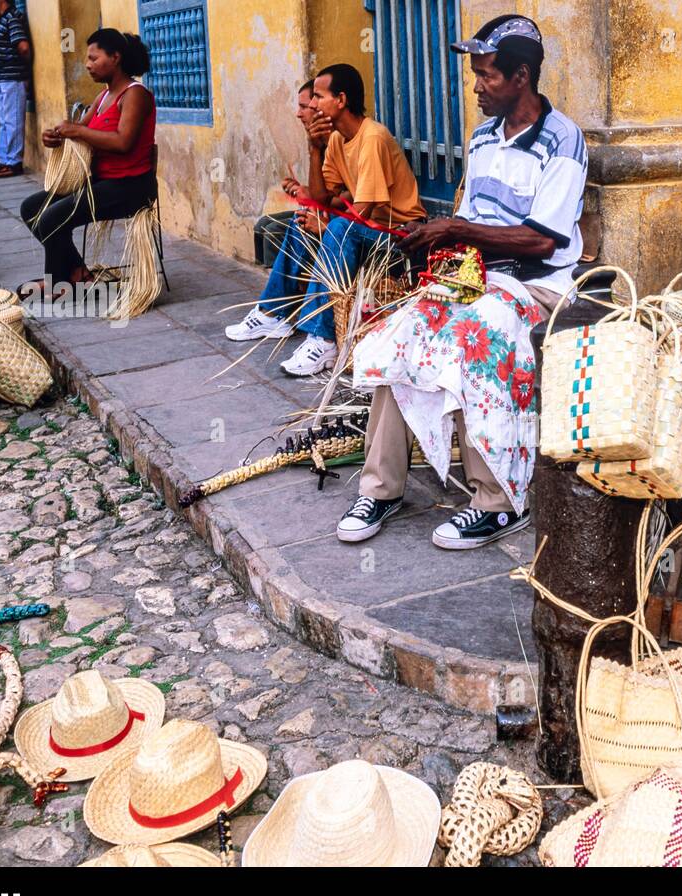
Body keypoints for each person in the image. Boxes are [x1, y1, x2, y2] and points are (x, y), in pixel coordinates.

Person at [338, 14, 586, 550]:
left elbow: (542, 241)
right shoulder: (481, 140)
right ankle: (381, 488)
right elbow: (472, 226)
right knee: (400, 333)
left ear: (521, 76)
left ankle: (497, 502)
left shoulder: (563, 139)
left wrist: (454, 227)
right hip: (480, 277)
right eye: (475, 75)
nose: (476, 87)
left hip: (538, 285)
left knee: (478, 336)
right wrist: (430, 238)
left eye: (487, 76)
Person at [244, 64, 425, 377]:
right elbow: (321, 197)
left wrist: (326, 225)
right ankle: (274, 313)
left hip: (398, 235)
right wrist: (315, 149)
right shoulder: (339, 139)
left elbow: (363, 212)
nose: (312, 104)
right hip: (366, 227)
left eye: (318, 97)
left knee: (339, 228)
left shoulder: (372, 138)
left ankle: (323, 337)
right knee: (304, 219)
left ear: (340, 100)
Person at [17, 30, 156, 292]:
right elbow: (79, 132)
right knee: (32, 207)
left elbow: (123, 142)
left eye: (94, 58)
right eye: (88, 59)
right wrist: (57, 136)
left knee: (51, 219)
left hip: (129, 187)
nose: (88, 64)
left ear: (115, 57)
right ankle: (77, 273)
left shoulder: (135, 94)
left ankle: (58, 284)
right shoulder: (103, 97)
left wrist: (78, 131)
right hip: (102, 183)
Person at [223, 79, 337, 343]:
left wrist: (310, 197)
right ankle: (275, 310)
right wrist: (303, 189)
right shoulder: (324, 141)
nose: (299, 113)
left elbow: (345, 200)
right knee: (269, 226)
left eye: (307, 105)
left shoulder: (348, 140)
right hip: (332, 213)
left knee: (295, 226)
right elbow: (329, 194)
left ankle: (275, 312)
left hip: (358, 224)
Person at [0, 0, 31, 178]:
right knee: (4, 121)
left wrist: (24, 70)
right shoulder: (4, 17)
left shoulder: (12, 18)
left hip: (13, 77)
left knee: (12, 121)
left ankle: (14, 163)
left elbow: (23, 47)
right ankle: (4, 160)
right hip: (4, 77)